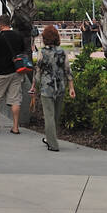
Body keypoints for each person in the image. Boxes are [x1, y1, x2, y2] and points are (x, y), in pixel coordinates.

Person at [30, 24, 75, 152]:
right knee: (55, 115)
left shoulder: (42, 52)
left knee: (49, 115)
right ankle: (50, 138)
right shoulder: (62, 52)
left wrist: (34, 86)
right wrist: (71, 87)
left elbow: (37, 70)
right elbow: (68, 70)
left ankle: (53, 144)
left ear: (45, 38)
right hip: (60, 87)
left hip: (46, 87)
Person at [0, 14, 26, 134]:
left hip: (2, 72)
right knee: (15, 99)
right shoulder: (18, 35)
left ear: (0, 24)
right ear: (10, 23)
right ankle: (16, 127)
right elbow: (22, 50)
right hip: (17, 72)